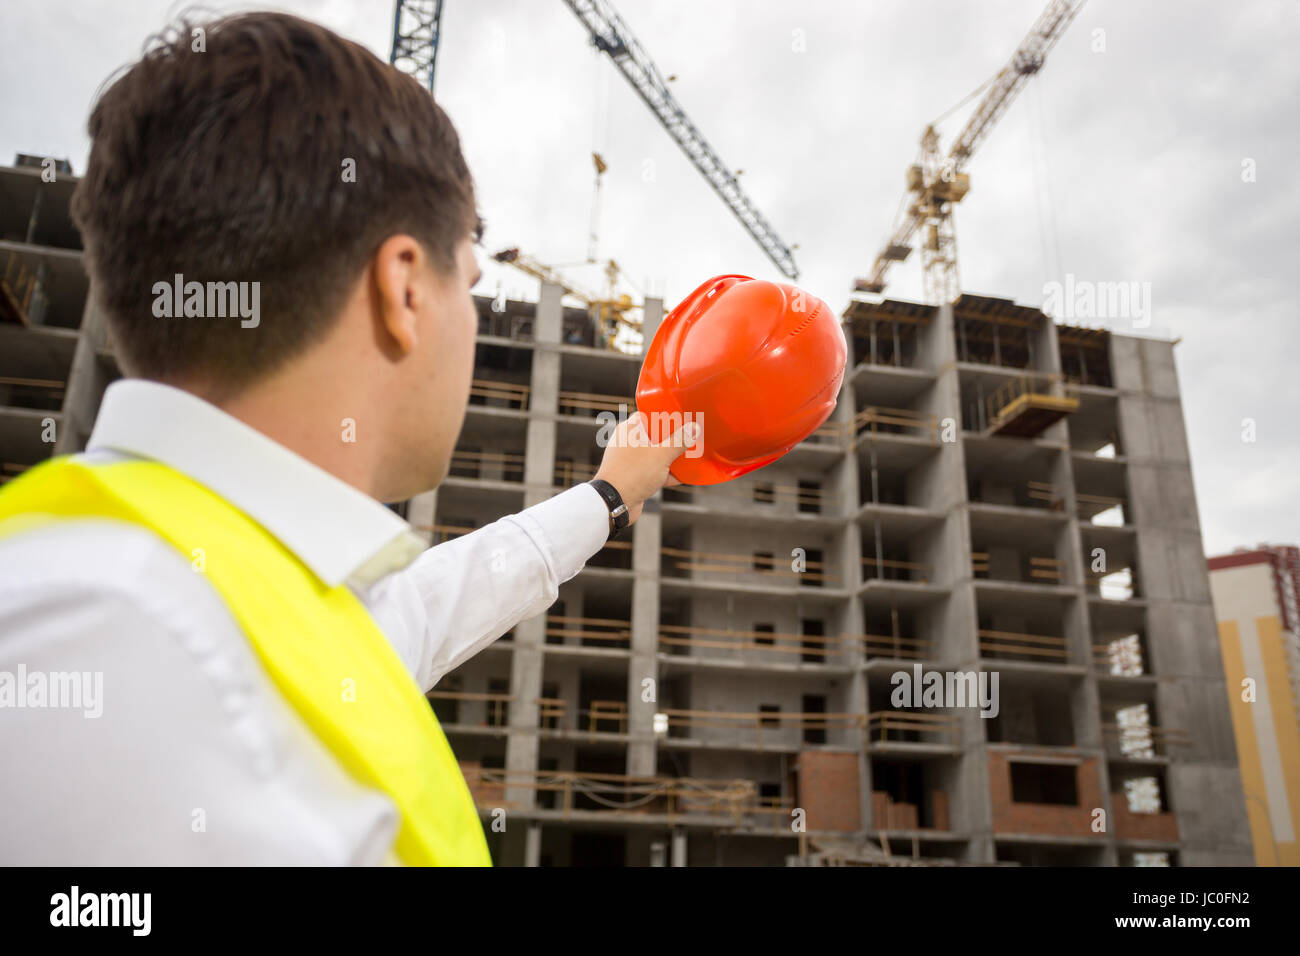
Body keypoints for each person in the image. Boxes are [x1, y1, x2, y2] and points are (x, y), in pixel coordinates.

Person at [0, 11, 693, 865]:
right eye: (470, 284)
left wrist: (608, 497)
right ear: (404, 288)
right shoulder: (114, 641)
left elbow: (433, 605)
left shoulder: (203, 579)